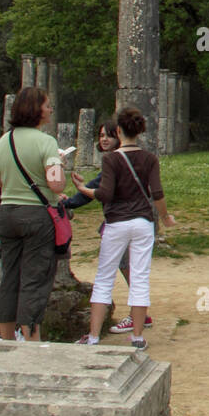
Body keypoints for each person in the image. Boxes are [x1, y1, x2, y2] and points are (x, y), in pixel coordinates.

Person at [76, 108, 176, 350]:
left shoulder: (111, 159)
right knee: (140, 276)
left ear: (118, 131)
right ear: (139, 132)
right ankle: (138, 336)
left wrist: (82, 189)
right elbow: (157, 193)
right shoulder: (150, 159)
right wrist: (164, 216)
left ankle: (93, 336)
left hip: (117, 222)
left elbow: (104, 194)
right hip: (143, 222)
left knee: (104, 277)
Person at [0, 87, 67, 342]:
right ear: (36, 110)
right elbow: (56, 185)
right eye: (47, 105)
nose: (50, 109)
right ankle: (31, 341)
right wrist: (58, 165)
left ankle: (5, 340)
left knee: (9, 278)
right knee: (34, 279)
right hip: (35, 218)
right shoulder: (46, 142)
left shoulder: (3, 141)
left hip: (6, 215)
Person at [65, 122, 153, 333]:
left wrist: (70, 201)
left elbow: (99, 190)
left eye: (109, 136)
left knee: (126, 268)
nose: (104, 139)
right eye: (101, 135)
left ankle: (137, 315)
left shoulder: (116, 161)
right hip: (133, 220)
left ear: (119, 137)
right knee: (128, 268)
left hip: (126, 222)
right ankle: (141, 314)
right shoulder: (119, 159)